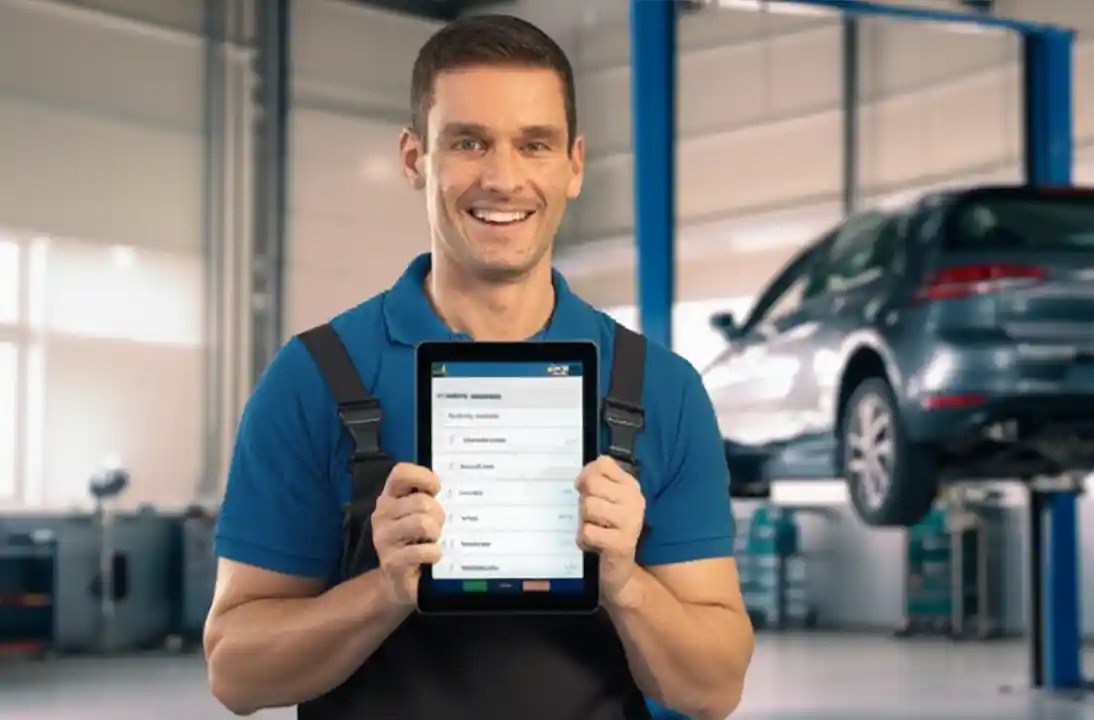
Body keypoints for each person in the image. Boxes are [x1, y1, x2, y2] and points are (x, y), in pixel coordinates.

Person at [203, 13, 753, 720]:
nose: (503, 178)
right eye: (468, 142)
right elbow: (236, 674)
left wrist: (624, 583)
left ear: (574, 165)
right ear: (413, 160)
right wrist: (384, 589)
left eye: (535, 145)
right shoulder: (316, 376)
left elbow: (713, 691)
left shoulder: (661, 389)